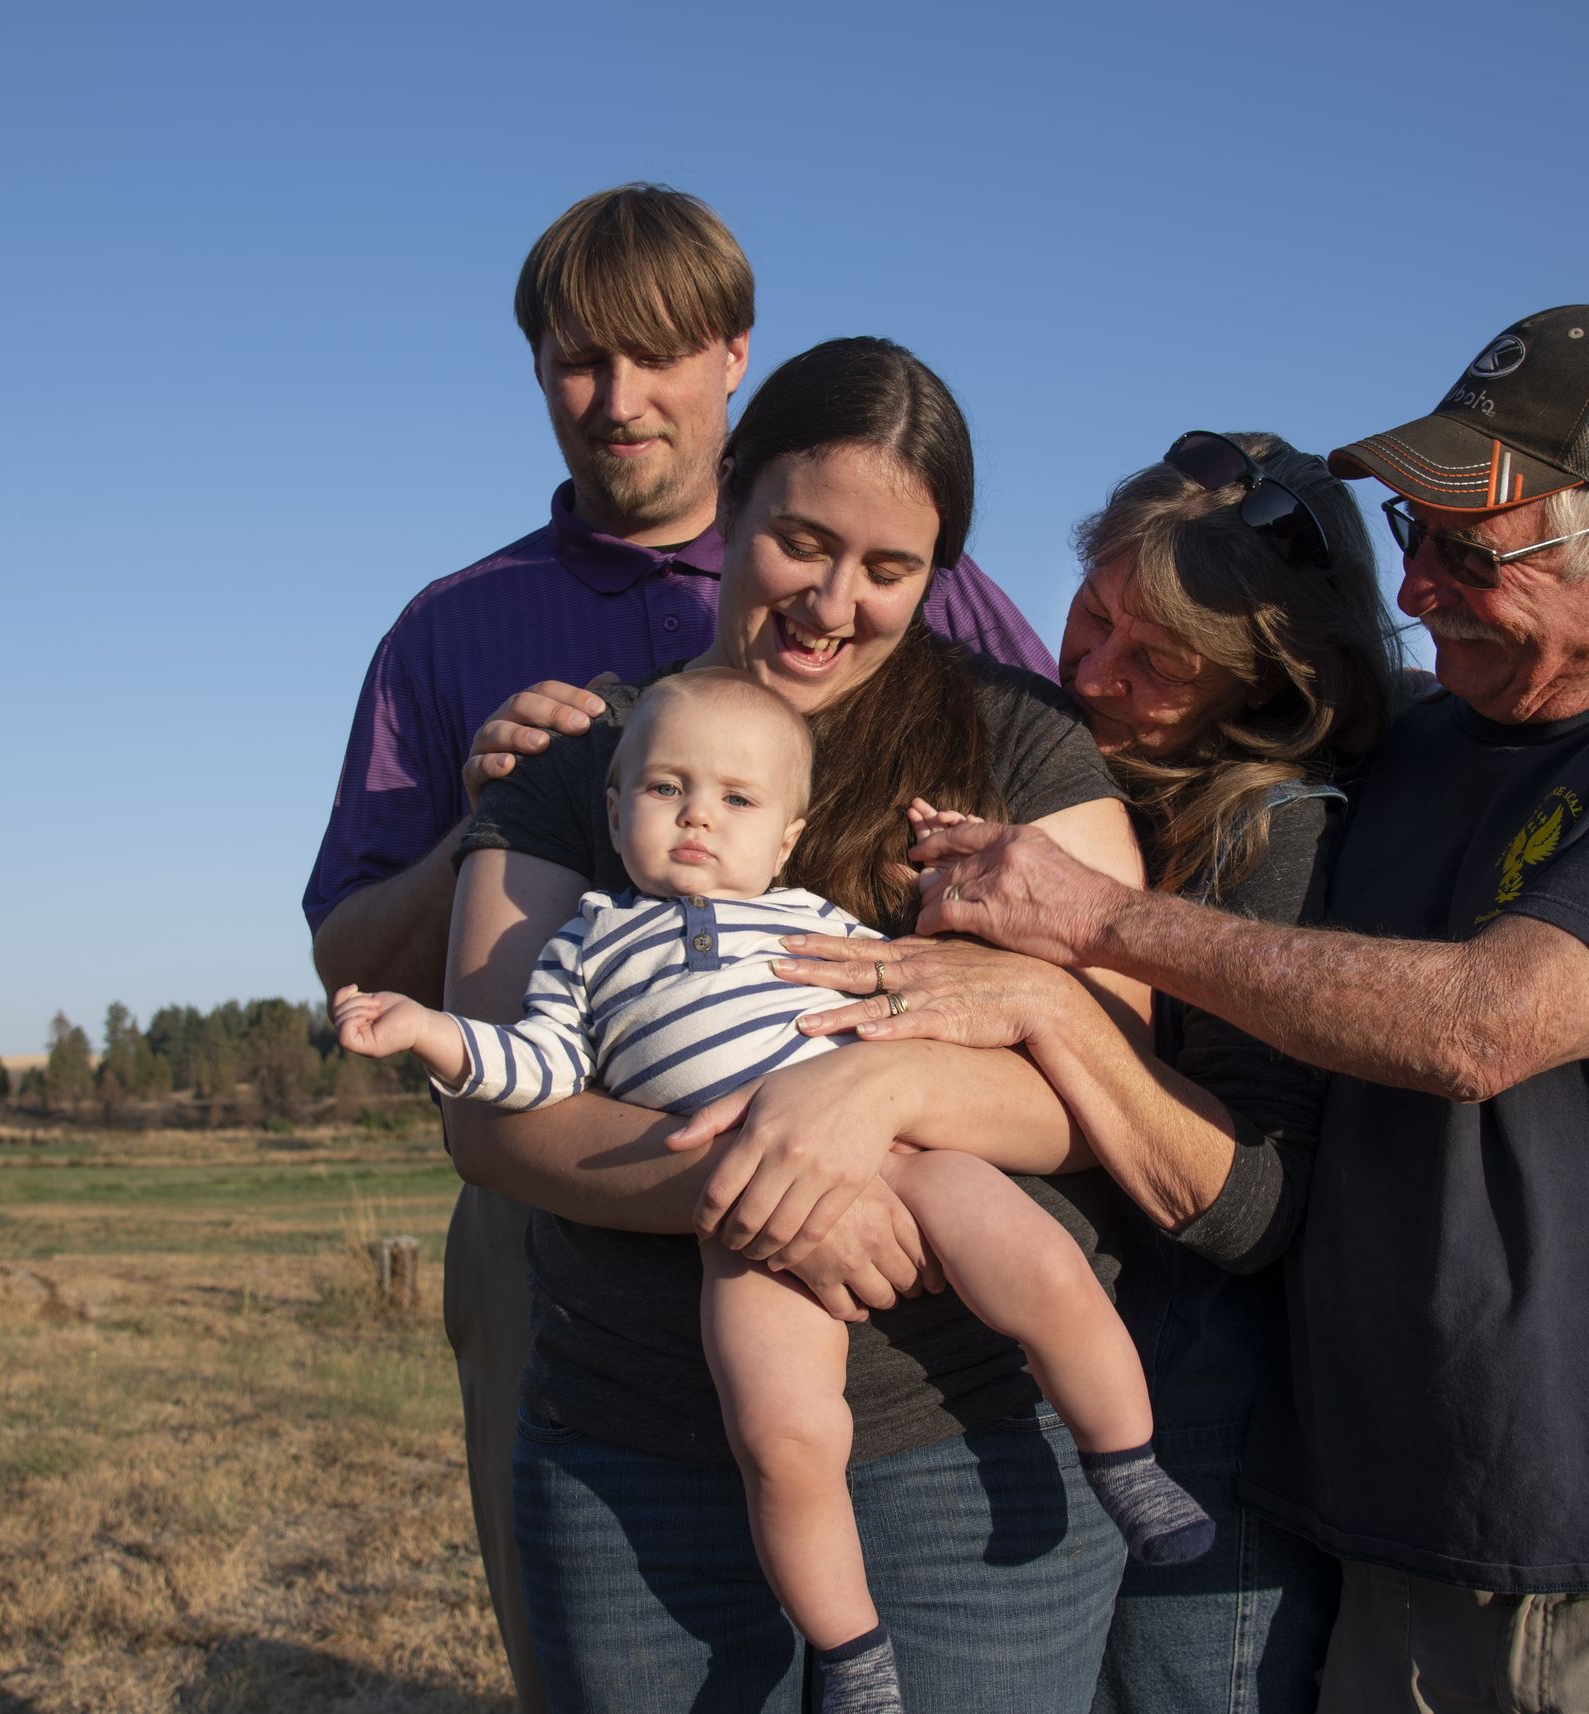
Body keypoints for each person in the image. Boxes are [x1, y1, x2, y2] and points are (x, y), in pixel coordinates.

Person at [861, 307, 1589, 1711]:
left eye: (1471, 555)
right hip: (1399, 1557)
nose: (1418, 591)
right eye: (1410, 538)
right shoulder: (1405, 751)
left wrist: (1095, 922)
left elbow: (1485, 1024)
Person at [299, 183, 1053, 1708]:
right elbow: (344, 950)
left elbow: (1049, 813)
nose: (618, 399)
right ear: (535, 371)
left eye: (658, 356)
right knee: (608, 1636)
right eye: (578, 361)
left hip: (911, 1190)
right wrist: (479, 827)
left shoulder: (901, 562)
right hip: (562, 1203)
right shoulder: (454, 628)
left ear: (736, 359)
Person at [442, 336, 1150, 1712]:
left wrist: (871, 1097)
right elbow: (495, 1115)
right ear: (732, 509)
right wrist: (763, 1182)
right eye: (801, 543)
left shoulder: (1020, 748)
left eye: (889, 571)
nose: (834, 601)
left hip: (965, 1443)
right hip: (635, 1453)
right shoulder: (581, 763)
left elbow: (1112, 1080)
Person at [334, 669, 1213, 1713]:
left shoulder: (814, 918)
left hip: (902, 1161)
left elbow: (923, 988)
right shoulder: (583, 949)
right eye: (665, 789)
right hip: (742, 1236)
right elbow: (528, 1070)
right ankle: (853, 1652)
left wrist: (954, 866)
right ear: (612, 812)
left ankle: (1128, 1462)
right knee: (784, 1437)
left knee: (1048, 1273)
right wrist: (425, 1029)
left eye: (736, 799)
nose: (699, 813)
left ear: (787, 837)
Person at [776, 430, 1403, 1714]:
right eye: (1094, 612)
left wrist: (1044, 1000)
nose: (1097, 671)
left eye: (1158, 661)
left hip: (1197, 1416)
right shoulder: (1031, 753)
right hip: (991, 1388)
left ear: (1267, 683)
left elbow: (1252, 1205)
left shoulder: (1267, 839)